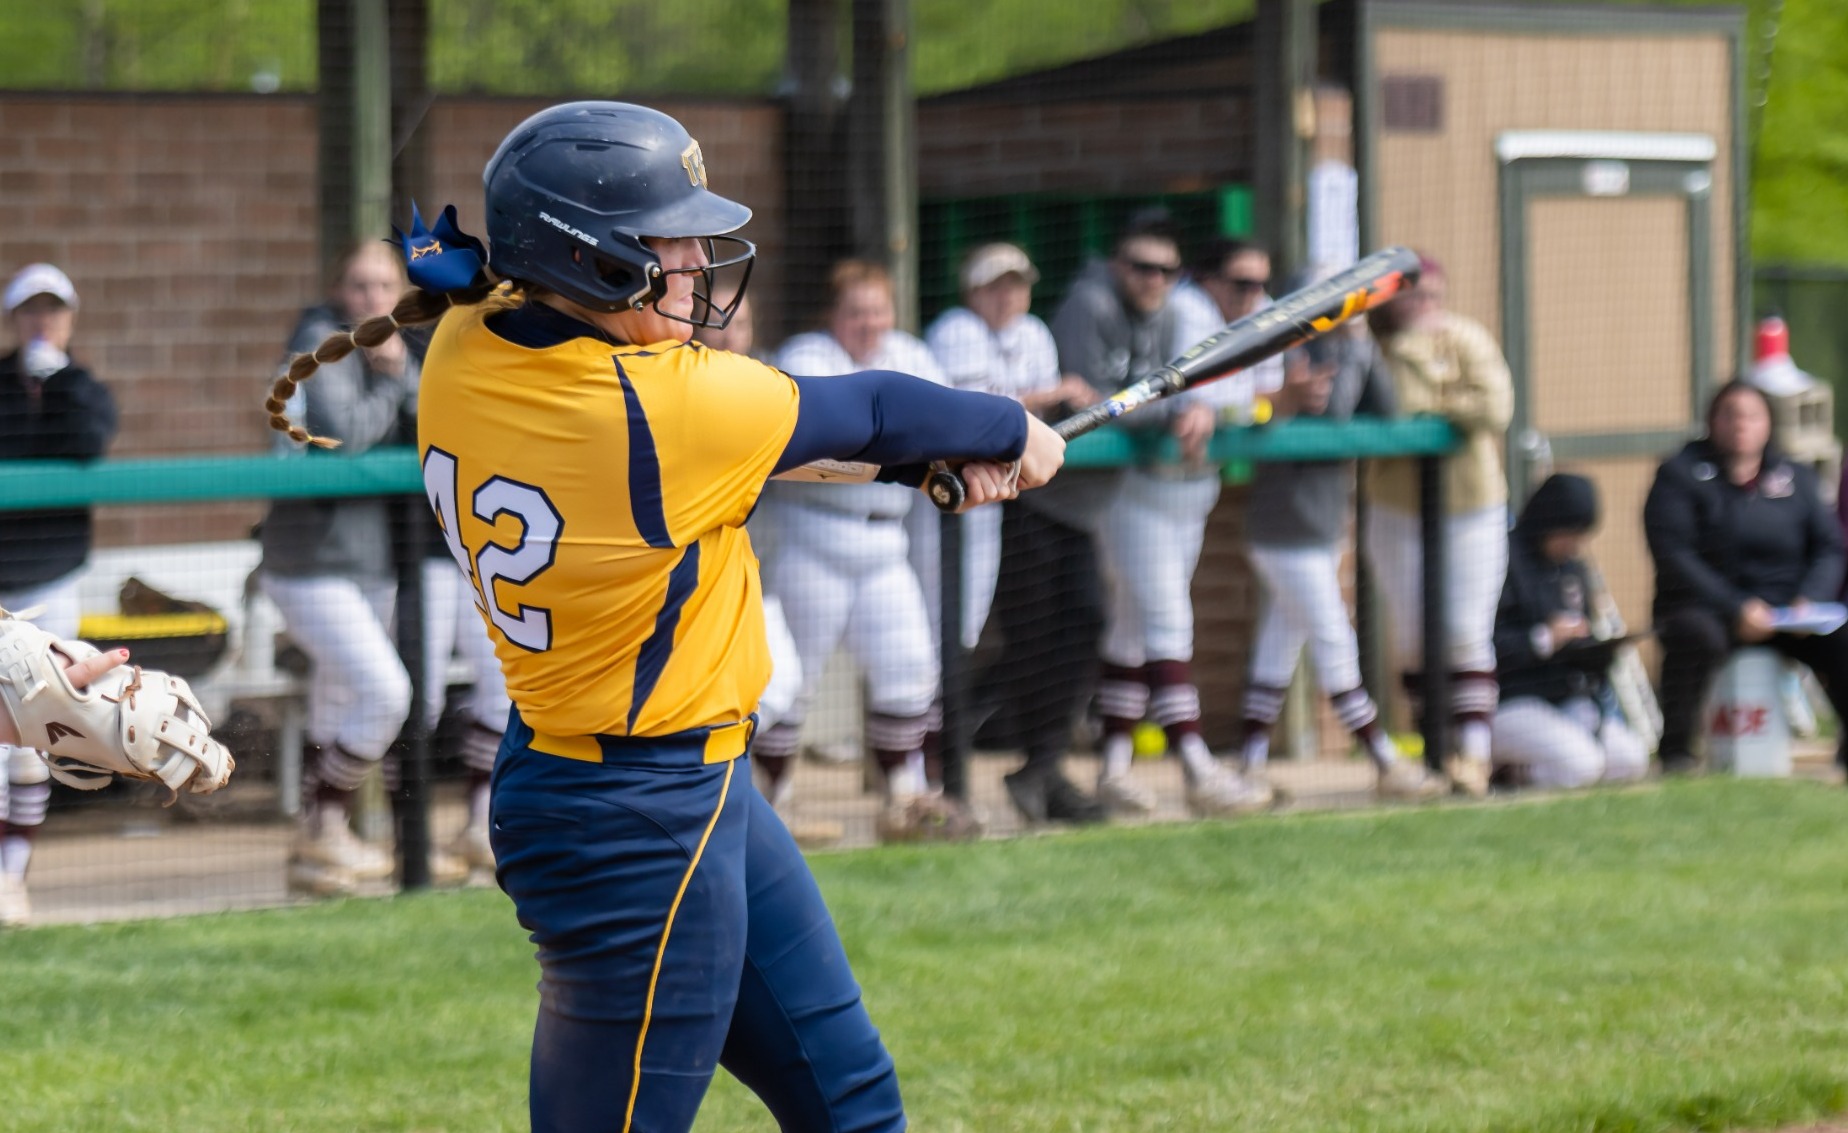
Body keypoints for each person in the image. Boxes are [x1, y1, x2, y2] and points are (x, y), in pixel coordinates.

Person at [265, 101, 1062, 1133]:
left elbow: (763, 450)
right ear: (586, 263)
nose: (694, 260)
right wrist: (1011, 428)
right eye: (664, 240)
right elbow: (862, 407)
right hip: (634, 816)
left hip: (666, 776)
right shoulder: (660, 403)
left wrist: (921, 463)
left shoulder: (464, 345)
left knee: (852, 1097)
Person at [759, 260, 974, 841]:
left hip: (886, 540)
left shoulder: (909, 353)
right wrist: (908, 444)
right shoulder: (806, 356)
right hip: (814, 535)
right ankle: (771, 805)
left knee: (909, 668)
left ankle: (905, 802)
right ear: (834, 314)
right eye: (856, 311)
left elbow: (946, 422)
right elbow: (829, 443)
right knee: (790, 682)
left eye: (878, 309)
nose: (869, 322)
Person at [1063, 226, 1272, 818]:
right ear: (1209, 280)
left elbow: (1255, 392)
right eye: (1241, 282)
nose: (1252, 294)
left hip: (1190, 494)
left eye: (1260, 283)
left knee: (1132, 627)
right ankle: (1197, 767)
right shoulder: (1187, 309)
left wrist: (1228, 403)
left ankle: (1113, 767)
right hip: (1141, 493)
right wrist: (1214, 403)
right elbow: (1178, 390)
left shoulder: (1246, 321)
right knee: (1166, 620)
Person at [259, 242, 442, 895]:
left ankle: (320, 852)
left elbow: (433, 422)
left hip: (369, 557)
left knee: (337, 698)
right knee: (386, 692)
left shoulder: (395, 345)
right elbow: (344, 435)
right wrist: (392, 377)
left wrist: (400, 374)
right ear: (340, 289)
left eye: (385, 285)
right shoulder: (321, 340)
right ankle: (324, 820)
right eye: (360, 285)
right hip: (309, 558)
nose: (372, 298)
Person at [925, 242, 1105, 823]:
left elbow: (1036, 423)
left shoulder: (1032, 332)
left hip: (998, 506)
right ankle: (936, 780)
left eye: (1017, 284)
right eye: (995, 285)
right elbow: (974, 410)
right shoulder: (954, 329)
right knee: (938, 637)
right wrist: (1052, 396)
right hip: (938, 504)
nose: (1008, 295)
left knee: (974, 634)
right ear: (973, 290)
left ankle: (945, 777)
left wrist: (1048, 402)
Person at [1238, 321, 1447, 799]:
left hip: (1320, 523)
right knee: (1334, 639)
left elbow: (1389, 411)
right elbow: (1331, 414)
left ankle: (1248, 766)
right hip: (1285, 526)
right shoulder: (1295, 349)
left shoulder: (1350, 346)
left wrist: (1364, 344)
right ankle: (1386, 762)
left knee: (1281, 642)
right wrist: (1351, 350)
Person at [1364, 253, 1514, 797]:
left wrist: (1437, 393)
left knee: (1465, 631)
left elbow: (1496, 408)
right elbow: (1404, 409)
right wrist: (1416, 356)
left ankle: (1473, 755)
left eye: (1433, 295)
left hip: (1472, 504)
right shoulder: (1377, 347)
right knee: (1412, 636)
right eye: (1413, 294)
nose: (1426, 306)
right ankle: (1434, 749)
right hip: (1396, 505)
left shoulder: (1466, 337)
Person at [1645, 379, 1848, 773]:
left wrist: (1809, 598)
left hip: (1788, 612)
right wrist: (1736, 607)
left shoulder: (1796, 478)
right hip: (1709, 608)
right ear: (1711, 421)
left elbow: (1830, 546)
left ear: (1768, 423)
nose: (1741, 425)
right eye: (1730, 415)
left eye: (1752, 416)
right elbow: (1674, 555)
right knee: (1692, 634)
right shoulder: (1679, 476)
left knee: (1842, 636)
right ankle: (1677, 753)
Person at [0, 262, 117, 925]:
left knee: (33, 729)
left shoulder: (84, 387)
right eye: (29, 311)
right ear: (13, 320)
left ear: (69, 318)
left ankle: (13, 878)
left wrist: (57, 379)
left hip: (53, 578)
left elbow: (88, 443)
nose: (41, 321)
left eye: (53, 310)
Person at [1491, 473, 1649, 788]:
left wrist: (1597, 652)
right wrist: (1544, 638)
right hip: (1509, 701)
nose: (1574, 544)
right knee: (1582, 765)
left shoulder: (1572, 570)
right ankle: (1507, 773)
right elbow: (1486, 645)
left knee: (1630, 760)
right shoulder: (1503, 560)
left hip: (1564, 698)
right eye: (1569, 533)